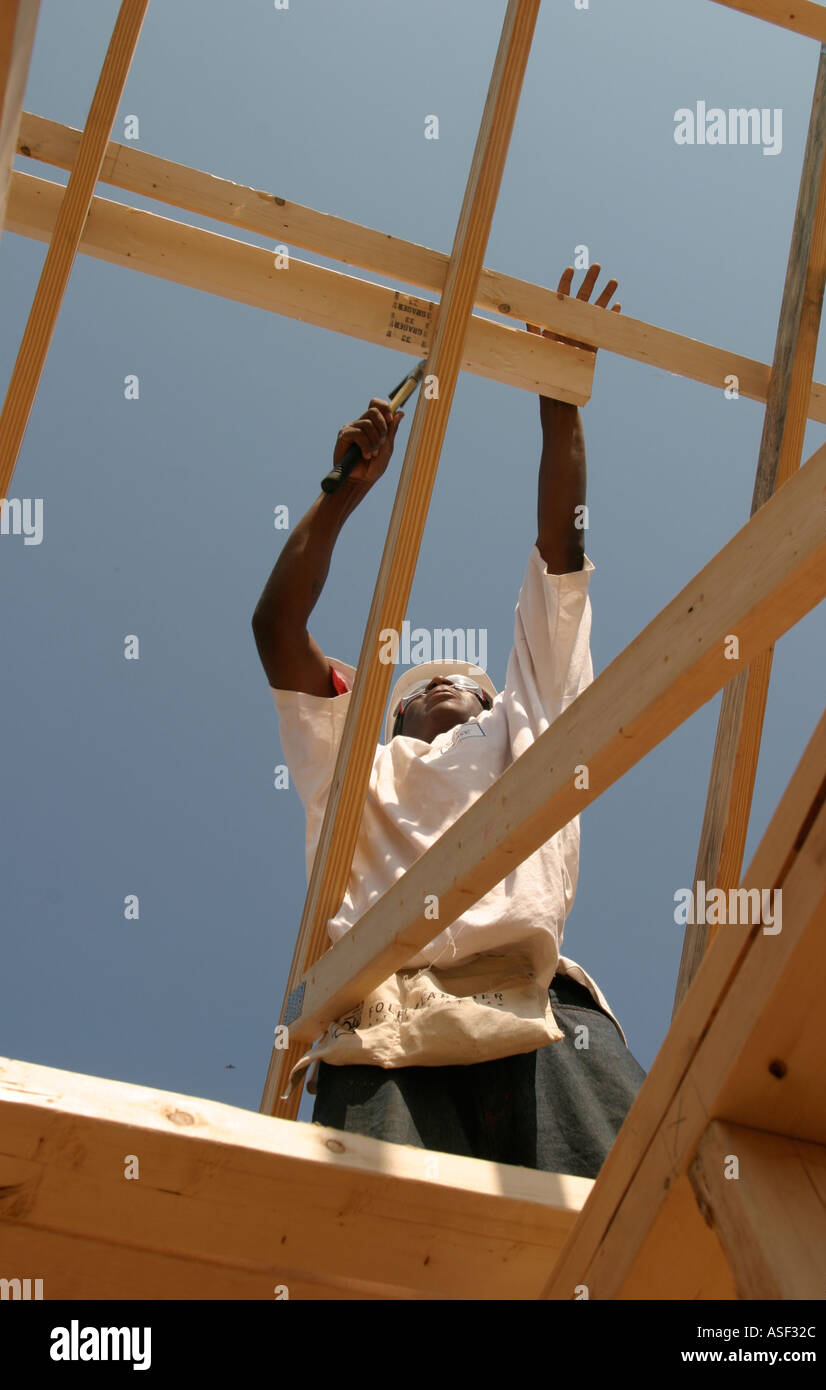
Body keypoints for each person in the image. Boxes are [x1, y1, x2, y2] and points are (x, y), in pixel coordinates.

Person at [252, 266, 646, 1179]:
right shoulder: (359, 766)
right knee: (386, 1264)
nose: (443, 691)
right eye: (418, 690)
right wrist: (342, 492)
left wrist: (560, 405)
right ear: (384, 715)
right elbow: (277, 630)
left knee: (635, 1243)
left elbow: (563, 558)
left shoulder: (524, 732)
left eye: (463, 684)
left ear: (493, 701)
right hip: (382, 1033)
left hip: (540, 1017)